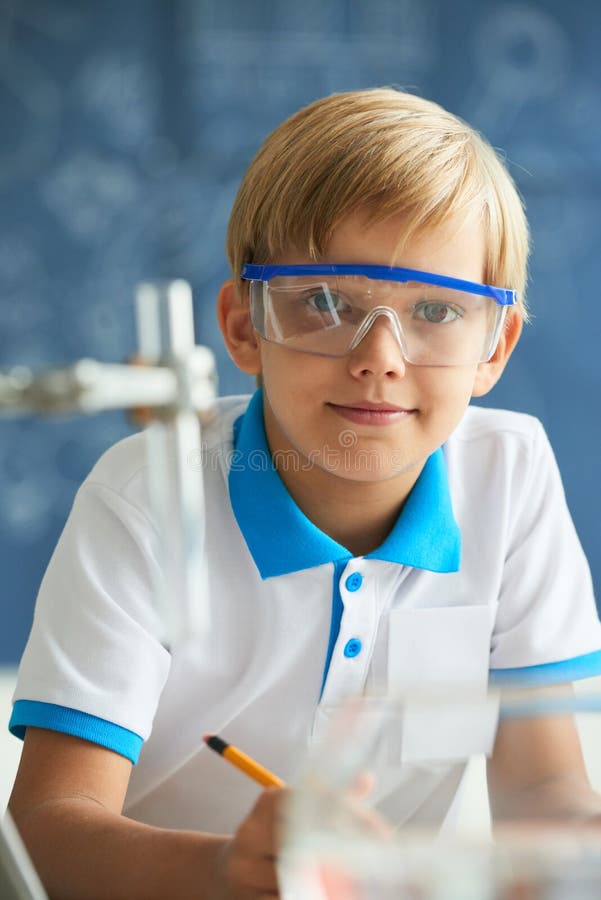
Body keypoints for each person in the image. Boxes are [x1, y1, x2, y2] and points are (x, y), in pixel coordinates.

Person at [8, 88, 601, 899]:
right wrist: (226, 869)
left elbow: (540, 790)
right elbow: (41, 833)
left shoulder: (510, 477)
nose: (379, 358)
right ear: (245, 327)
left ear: (494, 347)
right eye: (325, 302)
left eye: (433, 310)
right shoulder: (146, 498)